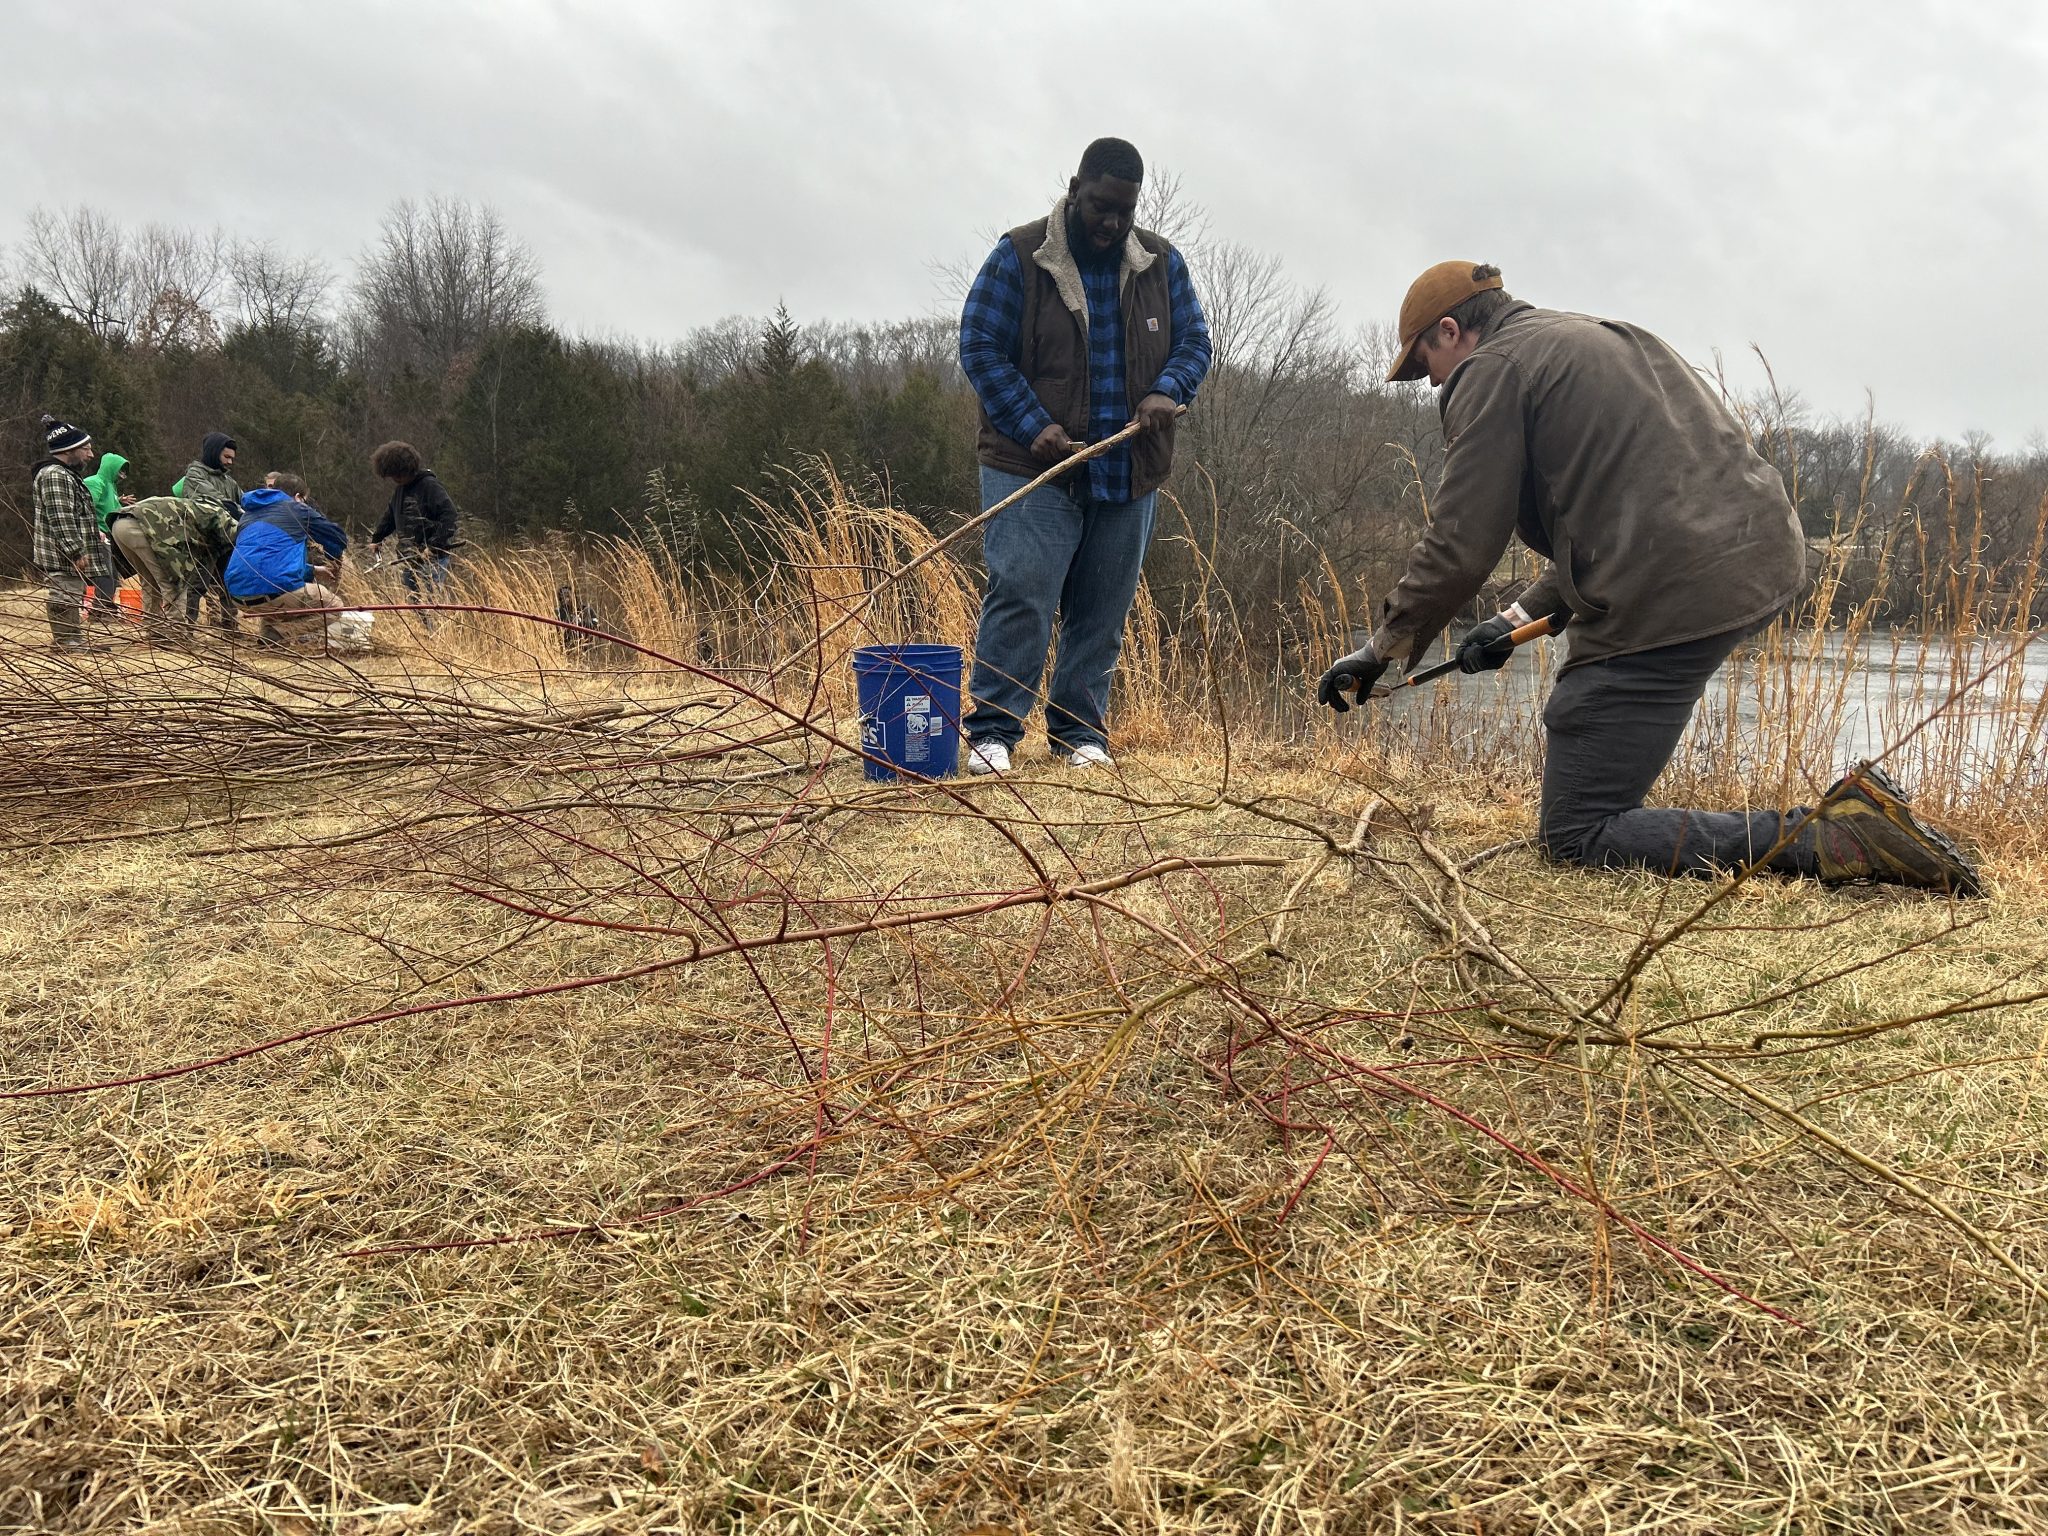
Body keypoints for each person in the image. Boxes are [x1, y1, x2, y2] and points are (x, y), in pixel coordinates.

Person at [1315, 261, 1981, 895]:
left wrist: (1385, 647)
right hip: (1757, 551)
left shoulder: (1491, 370)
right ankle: (1855, 824)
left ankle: (1838, 837)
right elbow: (1626, 516)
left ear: (1451, 331)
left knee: (1578, 831)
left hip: (1680, 583)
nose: (1434, 384)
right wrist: (1511, 623)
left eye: (1427, 364)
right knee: (1586, 734)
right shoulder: (1596, 338)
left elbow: (1461, 541)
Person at [957, 136, 1212, 774]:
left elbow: (1194, 344)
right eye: (1101, 206)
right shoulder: (1017, 257)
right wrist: (1030, 424)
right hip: (1032, 467)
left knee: (1103, 608)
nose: (1112, 222)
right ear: (1075, 188)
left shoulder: (1161, 263)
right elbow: (980, 346)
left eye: (1125, 211)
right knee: (1023, 593)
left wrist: (1165, 390)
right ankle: (993, 731)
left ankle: (1080, 735)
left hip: (1128, 471)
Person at [225, 474, 348, 648]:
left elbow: (267, 562)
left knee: (275, 588)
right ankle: (279, 633)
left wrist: (312, 570)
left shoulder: (248, 515)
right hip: (274, 593)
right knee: (334, 606)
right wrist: (332, 558)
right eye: (304, 499)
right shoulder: (296, 508)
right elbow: (338, 537)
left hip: (237, 596)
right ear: (298, 497)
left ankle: (267, 638)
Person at [30, 415, 113, 651]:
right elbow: (61, 515)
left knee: (72, 591)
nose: (91, 454)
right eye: (85, 448)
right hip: (62, 553)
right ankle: (67, 642)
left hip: (67, 552)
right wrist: (76, 550)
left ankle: (72, 640)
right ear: (69, 450)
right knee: (64, 592)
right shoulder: (55, 475)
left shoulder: (64, 474)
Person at [107, 494, 238, 643]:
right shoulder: (220, 513)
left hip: (119, 524)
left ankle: (153, 630)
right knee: (173, 582)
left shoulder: (194, 508)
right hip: (143, 526)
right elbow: (241, 537)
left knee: (151, 583)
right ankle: (176, 634)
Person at [369, 441, 459, 616]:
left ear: (406, 469)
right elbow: (391, 514)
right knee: (415, 604)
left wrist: (433, 546)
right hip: (409, 559)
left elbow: (449, 515)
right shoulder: (401, 490)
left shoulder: (430, 486)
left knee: (432, 604)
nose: (394, 479)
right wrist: (377, 538)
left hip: (432, 560)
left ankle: (437, 638)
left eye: (396, 475)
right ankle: (423, 638)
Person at [175, 432, 243, 632]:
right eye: (226, 457)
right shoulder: (196, 474)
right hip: (202, 540)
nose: (230, 462)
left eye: (232, 458)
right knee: (197, 585)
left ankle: (230, 627)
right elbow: (213, 499)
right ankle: (188, 628)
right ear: (214, 453)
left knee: (228, 584)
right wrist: (238, 511)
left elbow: (243, 500)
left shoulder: (229, 482)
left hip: (225, 540)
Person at [81, 450, 130, 621]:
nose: (122, 474)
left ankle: (102, 610)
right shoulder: (95, 482)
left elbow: (105, 505)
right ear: (111, 467)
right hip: (98, 535)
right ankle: (103, 613)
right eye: (120, 470)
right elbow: (85, 506)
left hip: (108, 535)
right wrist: (95, 529)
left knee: (112, 576)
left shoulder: (110, 486)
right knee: (105, 575)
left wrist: (119, 501)